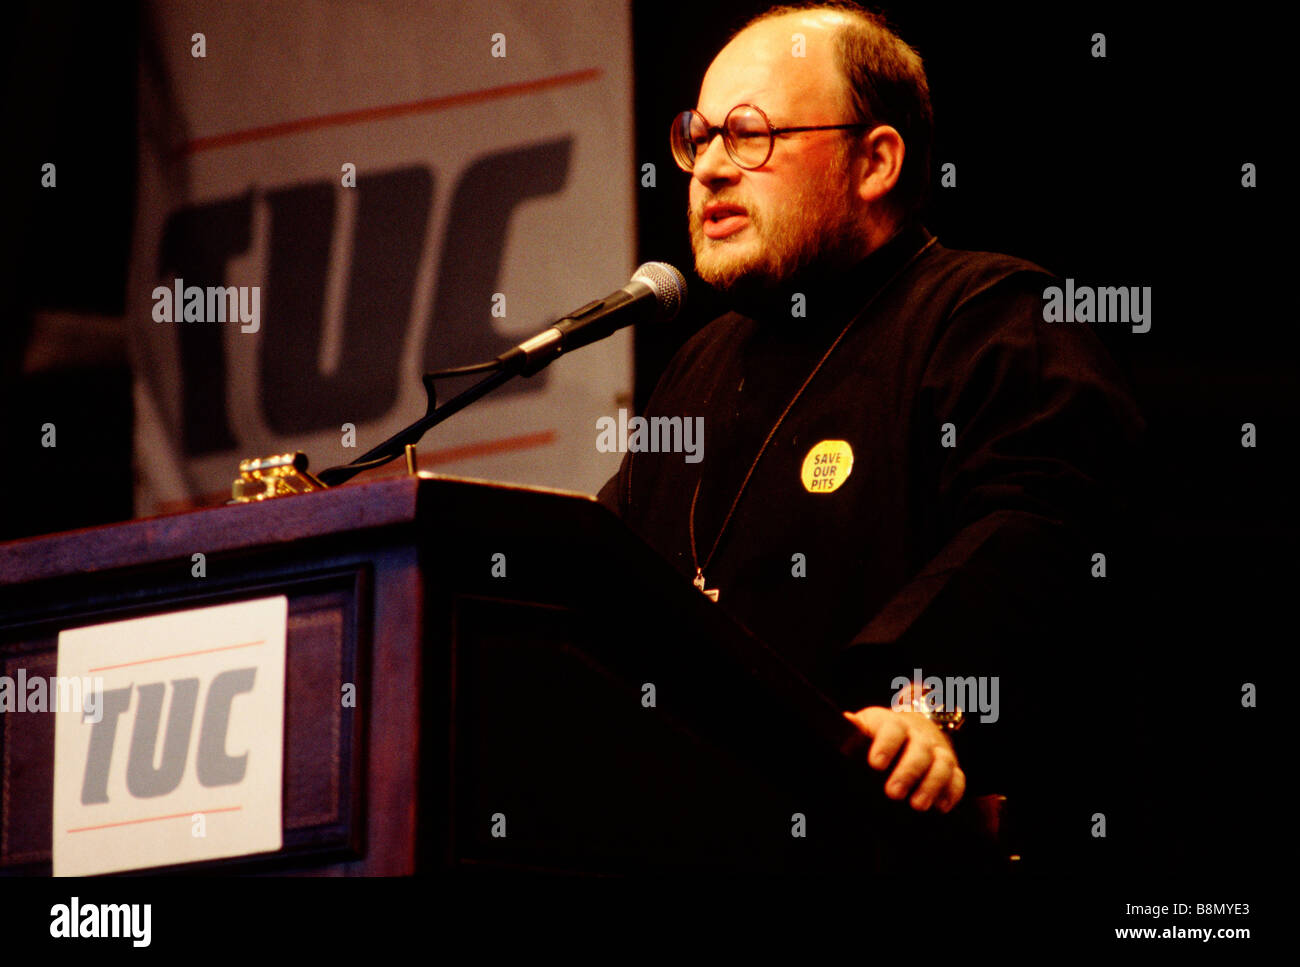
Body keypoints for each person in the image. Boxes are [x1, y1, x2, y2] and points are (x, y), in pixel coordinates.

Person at [597, 2, 1144, 846]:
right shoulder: (694, 369)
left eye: (749, 135)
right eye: (696, 138)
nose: (707, 169)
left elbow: (1040, 536)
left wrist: (922, 703)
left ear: (875, 160)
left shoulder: (989, 319)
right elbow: (601, 583)